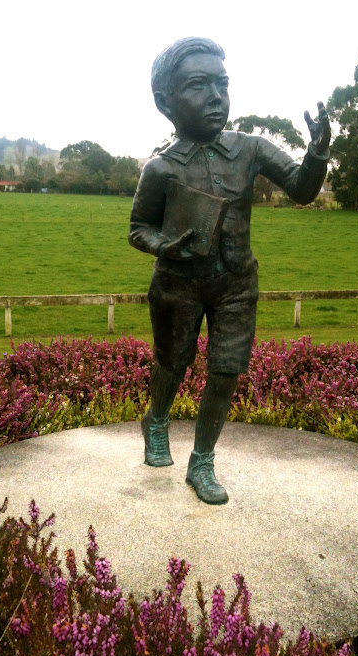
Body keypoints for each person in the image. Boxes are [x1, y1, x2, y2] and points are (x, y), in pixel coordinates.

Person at [129, 37, 330, 505]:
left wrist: (316, 154)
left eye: (222, 83)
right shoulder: (160, 169)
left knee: (226, 371)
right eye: (199, 85)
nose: (216, 96)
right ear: (165, 101)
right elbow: (138, 228)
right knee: (173, 362)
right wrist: (164, 245)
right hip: (177, 285)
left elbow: (302, 190)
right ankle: (156, 419)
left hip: (236, 284)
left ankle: (202, 462)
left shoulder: (250, 149)